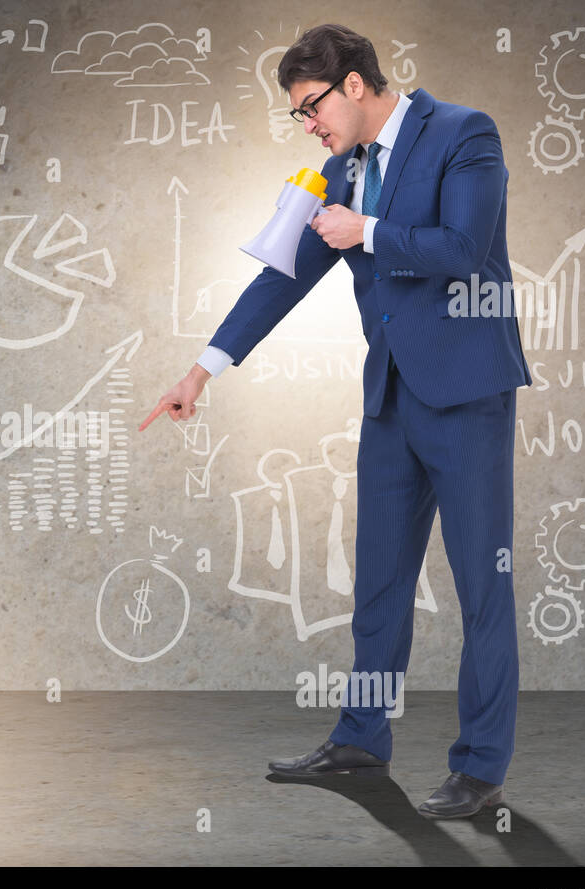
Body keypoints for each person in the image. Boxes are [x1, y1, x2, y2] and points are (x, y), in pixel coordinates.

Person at [141, 24, 530, 819]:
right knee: (379, 581)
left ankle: (480, 765)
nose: (307, 123)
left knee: (481, 587)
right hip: (391, 396)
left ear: (355, 85)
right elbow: (281, 279)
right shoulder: (337, 172)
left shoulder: (464, 132)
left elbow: (465, 246)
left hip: (467, 394)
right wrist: (202, 370)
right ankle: (360, 739)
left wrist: (370, 232)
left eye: (310, 106)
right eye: (298, 115)